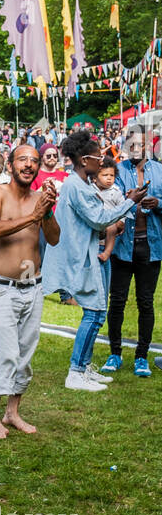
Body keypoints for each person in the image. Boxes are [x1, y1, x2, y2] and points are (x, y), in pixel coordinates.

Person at [41, 130, 146, 391]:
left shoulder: (83, 184)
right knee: (95, 312)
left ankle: (85, 367)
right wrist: (129, 203)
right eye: (98, 158)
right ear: (83, 159)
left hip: (93, 252)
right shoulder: (76, 186)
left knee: (98, 311)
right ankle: (75, 371)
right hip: (84, 257)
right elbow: (98, 218)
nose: (102, 162)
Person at [0, 145, 59, 438]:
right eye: (23, 160)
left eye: (34, 161)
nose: (29, 165)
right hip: (3, 287)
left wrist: (46, 211)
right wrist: (32, 216)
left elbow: (54, 238)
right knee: (6, 352)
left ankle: (13, 412)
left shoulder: (41, 199)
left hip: (33, 285)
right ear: (10, 163)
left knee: (25, 352)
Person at [100, 123, 162, 377]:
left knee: (146, 303)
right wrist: (129, 199)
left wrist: (158, 202)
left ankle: (142, 357)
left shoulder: (159, 171)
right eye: (132, 144)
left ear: (149, 145)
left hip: (151, 246)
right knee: (117, 302)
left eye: (141, 144)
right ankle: (115, 353)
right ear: (126, 145)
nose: (136, 148)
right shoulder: (117, 171)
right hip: (122, 247)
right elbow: (104, 198)